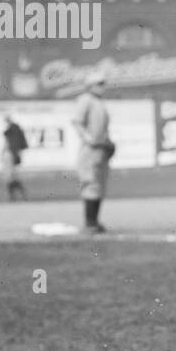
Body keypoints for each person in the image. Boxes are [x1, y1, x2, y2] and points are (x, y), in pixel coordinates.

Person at [71, 71, 114, 233]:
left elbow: (103, 128)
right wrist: (89, 139)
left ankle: (95, 221)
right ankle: (90, 222)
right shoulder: (85, 100)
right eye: (99, 84)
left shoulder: (99, 102)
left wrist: (109, 143)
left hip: (101, 149)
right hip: (90, 150)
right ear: (90, 86)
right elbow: (77, 122)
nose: (103, 87)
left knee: (100, 185)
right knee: (90, 183)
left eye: (103, 83)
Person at [1, 115, 28, 200]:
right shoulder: (15, 130)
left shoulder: (12, 131)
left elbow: (8, 144)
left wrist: (2, 154)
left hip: (12, 155)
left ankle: (15, 195)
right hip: (14, 155)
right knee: (13, 176)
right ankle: (17, 195)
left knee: (10, 177)